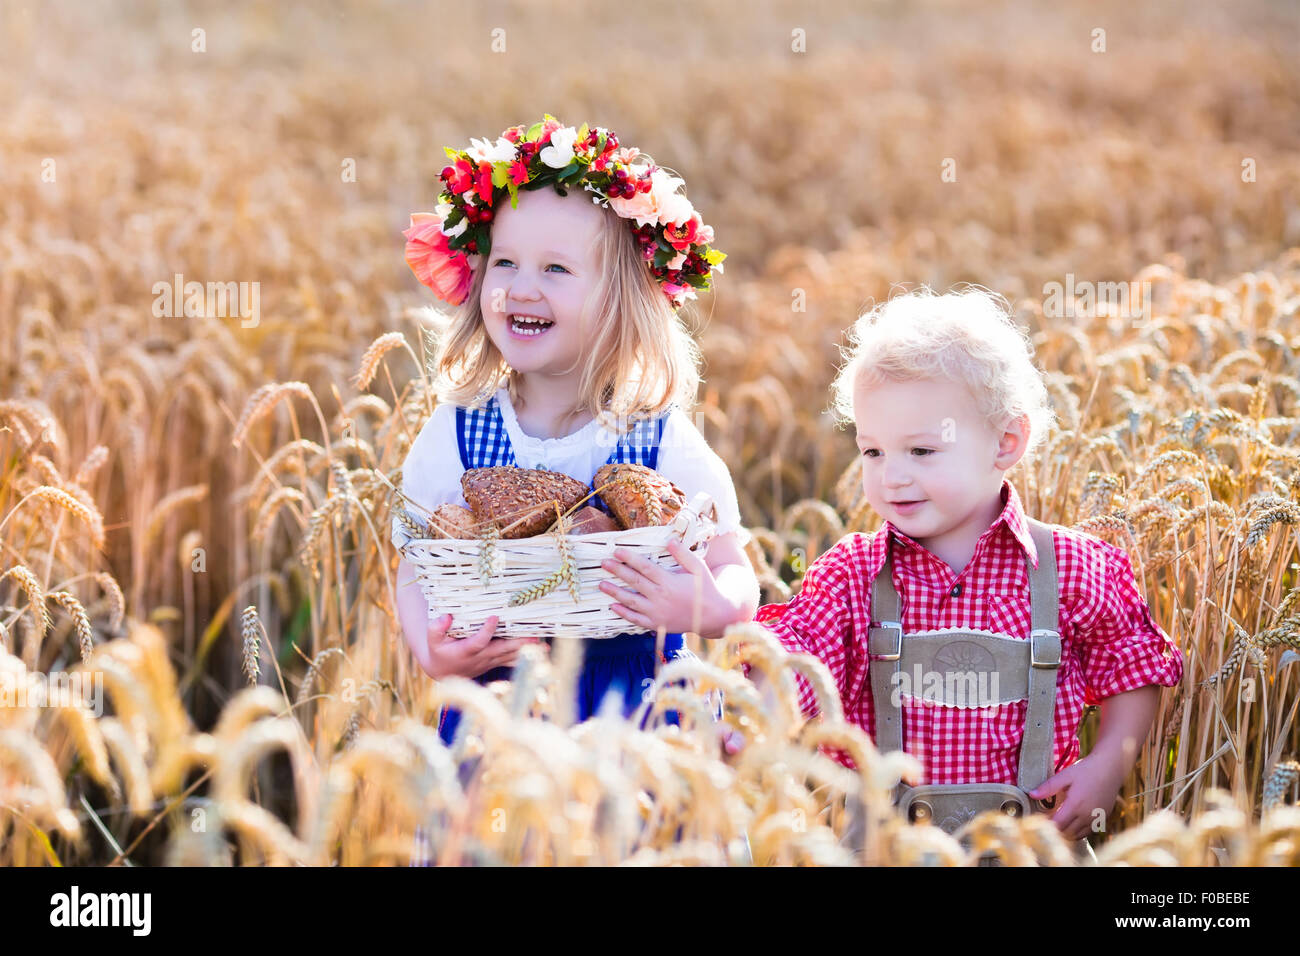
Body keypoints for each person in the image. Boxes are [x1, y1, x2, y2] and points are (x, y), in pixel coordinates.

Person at [755, 287, 1184, 862]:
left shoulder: (1072, 569)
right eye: (873, 451)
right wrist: (750, 716)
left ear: (1006, 442)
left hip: (1032, 849)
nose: (892, 477)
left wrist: (1108, 762)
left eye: (921, 451)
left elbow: (1132, 664)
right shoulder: (853, 577)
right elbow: (797, 661)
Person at [391, 115, 759, 752]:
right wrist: (433, 648)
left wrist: (712, 608)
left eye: (555, 269)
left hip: (640, 710)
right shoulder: (458, 430)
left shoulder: (657, 439)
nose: (520, 289)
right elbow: (417, 563)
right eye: (504, 262)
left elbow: (733, 568)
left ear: (621, 298)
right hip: (503, 705)